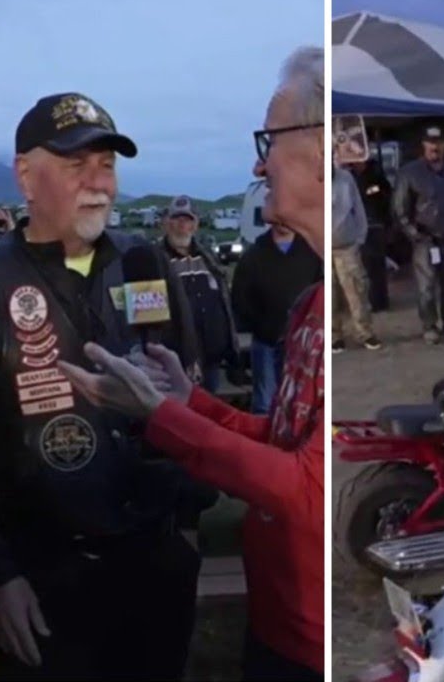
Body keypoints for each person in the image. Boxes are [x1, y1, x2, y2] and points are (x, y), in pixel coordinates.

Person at [0, 92, 209, 682]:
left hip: (156, 563)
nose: (98, 183)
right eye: (77, 165)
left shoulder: (142, 261)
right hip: (44, 578)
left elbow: (187, 384)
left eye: (107, 165)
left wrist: (189, 518)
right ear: (26, 175)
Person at [58, 46, 325, 682]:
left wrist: (161, 416)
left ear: (321, 151)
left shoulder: (317, 295)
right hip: (275, 619)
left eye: (271, 140)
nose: (258, 162)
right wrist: (189, 404)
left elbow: (303, 488)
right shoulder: (314, 302)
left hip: (311, 640)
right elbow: (279, 440)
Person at [392, 126, 444, 344]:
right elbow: (400, 209)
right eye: (430, 143)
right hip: (425, 240)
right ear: (424, 146)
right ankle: (429, 326)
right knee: (426, 288)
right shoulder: (409, 172)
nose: (435, 147)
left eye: (438, 142)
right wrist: (415, 234)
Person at [231, 224, 320, 413]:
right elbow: (240, 296)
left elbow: (320, 290)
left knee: (299, 402)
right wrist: (259, 325)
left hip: (302, 344)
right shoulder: (254, 255)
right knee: (264, 403)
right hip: (266, 342)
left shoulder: (311, 252)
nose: (283, 223)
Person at [161, 195, 240, 392]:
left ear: (195, 225)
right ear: (166, 223)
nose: (182, 225)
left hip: (211, 356)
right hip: (175, 359)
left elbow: (224, 301)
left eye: (188, 220)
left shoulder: (208, 259)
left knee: (209, 412)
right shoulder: (156, 260)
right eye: (176, 219)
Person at [332, 164, 380, 352]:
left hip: (347, 246)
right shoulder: (311, 179)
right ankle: (334, 335)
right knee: (331, 293)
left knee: (357, 291)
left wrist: (360, 236)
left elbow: (358, 207)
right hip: (322, 247)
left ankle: (365, 332)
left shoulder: (345, 178)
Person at [350, 158, 393, 311]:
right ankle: (364, 301)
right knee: (360, 266)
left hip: (375, 224)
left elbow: (385, 194)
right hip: (355, 226)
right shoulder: (347, 175)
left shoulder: (375, 173)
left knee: (376, 265)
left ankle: (380, 301)